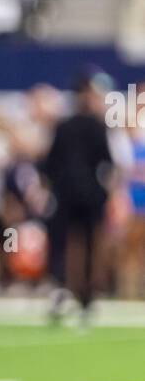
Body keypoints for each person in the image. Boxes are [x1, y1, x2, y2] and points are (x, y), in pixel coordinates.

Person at [42, 69, 114, 320]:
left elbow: (50, 163)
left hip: (66, 193)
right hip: (89, 193)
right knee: (88, 243)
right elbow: (107, 162)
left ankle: (64, 288)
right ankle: (86, 295)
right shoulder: (96, 125)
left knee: (65, 243)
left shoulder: (65, 126)